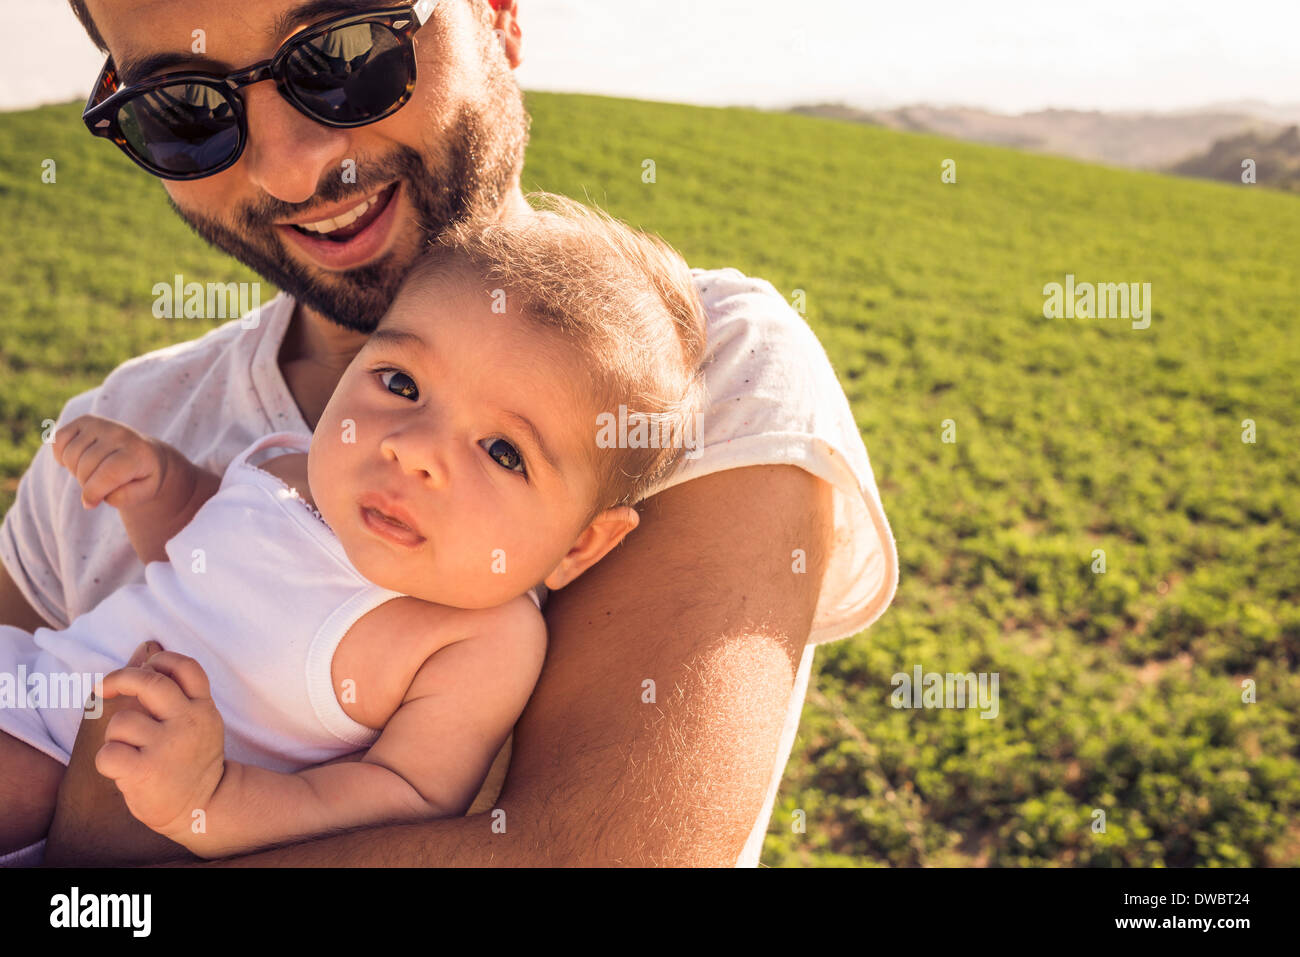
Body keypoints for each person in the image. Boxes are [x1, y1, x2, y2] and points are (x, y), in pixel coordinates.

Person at [0, 0, 897, 866]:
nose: (290, 168)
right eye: (183, 108)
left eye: (346, 50)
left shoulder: (696, 375)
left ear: (497, 13)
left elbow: (603, 861)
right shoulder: (117, 421)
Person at [0, 196, 707, 861]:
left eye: (503, 452)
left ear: (581, 544)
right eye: (401, 383)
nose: (415, 448)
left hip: (68, 767)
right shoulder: (290, 465)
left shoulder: (479, 639)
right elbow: (199, 563)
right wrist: (157, 486)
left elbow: (403, 794)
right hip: (39, 683)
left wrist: (215, 798)